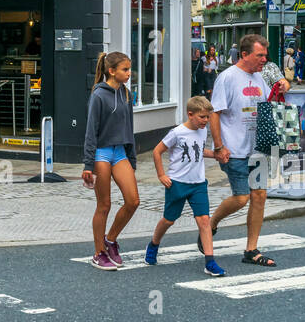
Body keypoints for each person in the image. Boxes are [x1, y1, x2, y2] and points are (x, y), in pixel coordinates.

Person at [204, 33, 290, 268]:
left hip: (258, 148)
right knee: (241, 198)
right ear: (244, 54)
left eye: (265, 55)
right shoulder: (228, 77)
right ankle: (211, 223)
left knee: (259, 196)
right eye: (259, 55)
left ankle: (251, 249)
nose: (264, 59)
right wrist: (219, 146)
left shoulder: (260, 78)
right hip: (233, 149)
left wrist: (282, 87)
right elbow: (215, 113)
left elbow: (269, 104)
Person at [145, 96, 227, 276]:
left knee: (204, 220)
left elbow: (196, 150)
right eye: (203, 117)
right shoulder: (177, 132)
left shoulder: (202, 131)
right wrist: (161, 175)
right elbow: (157, 151)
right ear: (190, 114)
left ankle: (210, 262)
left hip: (198, 184)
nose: (206, 120)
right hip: (177, 184)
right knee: (169, 220)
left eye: (208, 117)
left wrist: (215, 155)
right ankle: (153, 244)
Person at [81, 51, 139, 270]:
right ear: (111, 71)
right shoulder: (98, 95)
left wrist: (131, 158)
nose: (129, 73)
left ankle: (111, 239)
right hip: (101, 153)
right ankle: (98, 253)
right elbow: (90, 130)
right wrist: (88, 165)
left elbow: (129, 128)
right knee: (104, 204)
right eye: (125, 69)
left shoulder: (126, 94)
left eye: (129, 69)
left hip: (120, 152)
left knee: (133, 201)